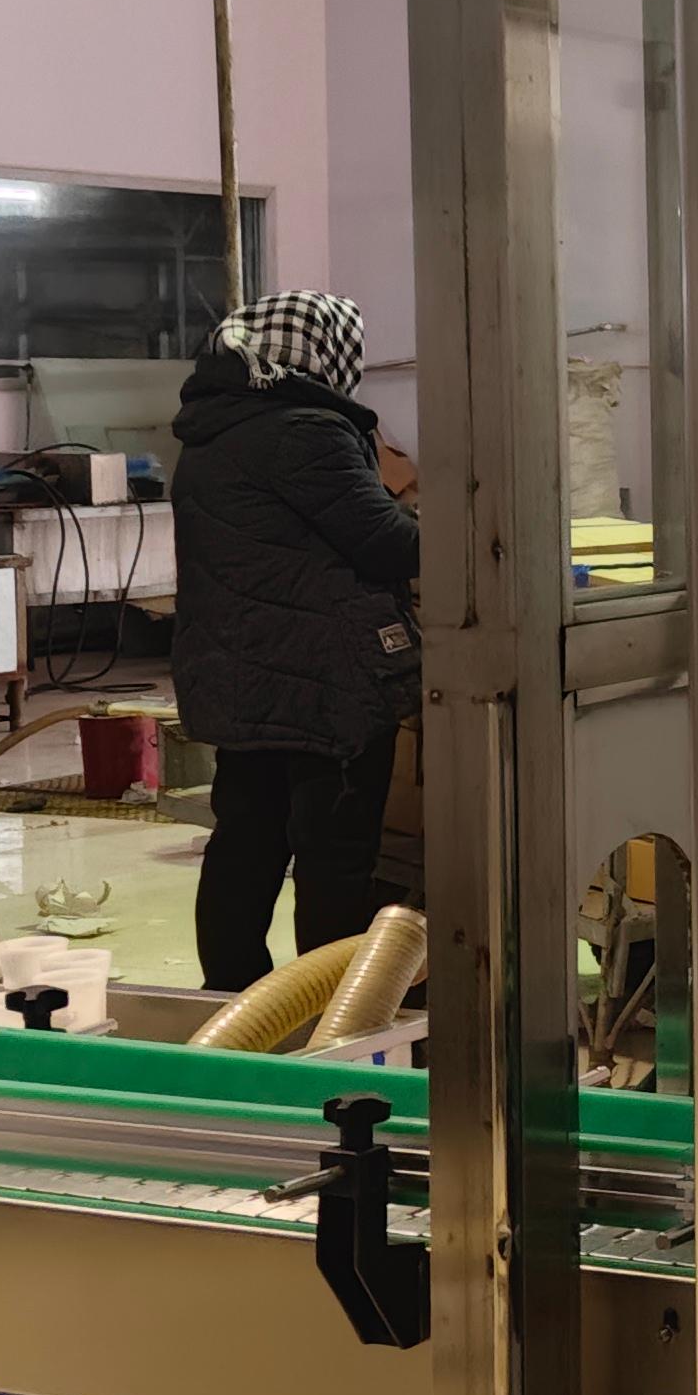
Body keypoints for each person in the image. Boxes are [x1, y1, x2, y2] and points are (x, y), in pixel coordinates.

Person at [171, 292, 420, 990]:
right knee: (335, 857)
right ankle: (330, 1013)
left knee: (245, 844)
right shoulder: (306, 429)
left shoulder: (212, 428)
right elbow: (386, 543)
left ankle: (233, 1001)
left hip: (238, 675)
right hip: (323, 685)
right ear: (325, 352)